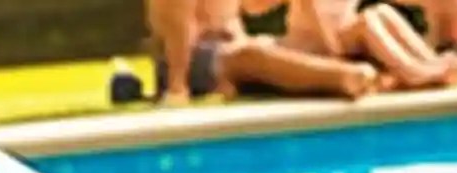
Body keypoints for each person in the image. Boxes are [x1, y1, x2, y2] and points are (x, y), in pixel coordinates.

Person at [148, 0, 382, 105]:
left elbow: (253, 7)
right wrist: (177, 88)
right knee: (250, 55)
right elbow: (179, 28)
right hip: (195, 58)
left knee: (273, 45)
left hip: (231, 49)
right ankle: (344, 77)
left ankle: (358, 70)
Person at [275, 0, 457, 89]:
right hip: (315, 44)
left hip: (344, 38)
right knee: (367, 20)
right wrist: (336, 57)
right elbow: (318, 23)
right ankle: (413, 72)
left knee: (381, 10)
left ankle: (428, 61)